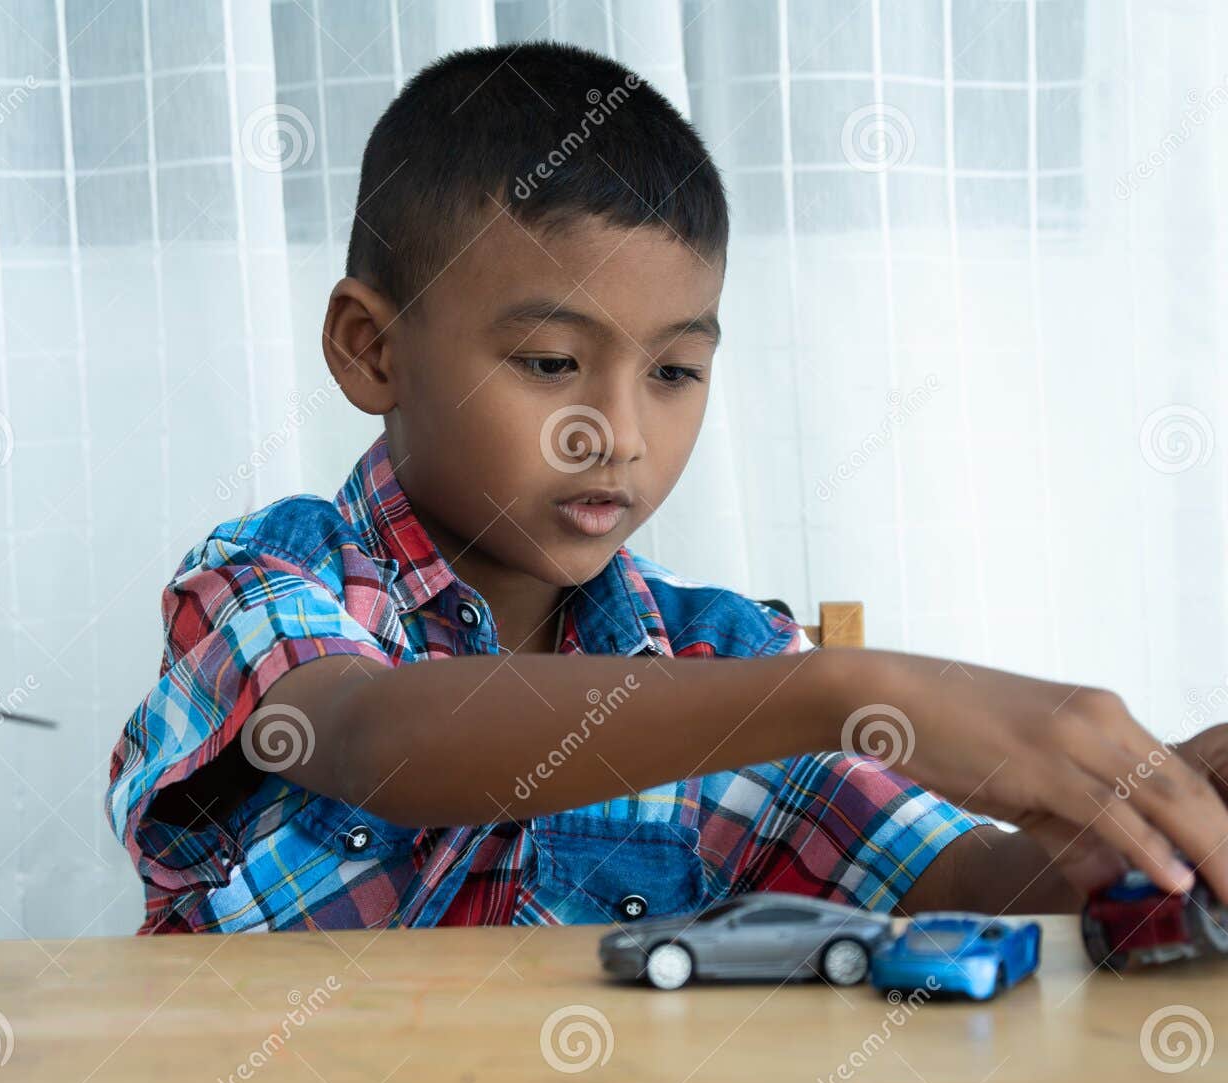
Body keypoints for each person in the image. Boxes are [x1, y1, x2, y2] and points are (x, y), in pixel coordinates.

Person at [105, 42, 1228, 936]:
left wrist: (1153, 821)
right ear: (370, 350)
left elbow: (960, 882)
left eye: (676, 372)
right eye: (550, 363)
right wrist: (846, 688)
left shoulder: (715, 656)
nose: (620, 435)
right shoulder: (264, 583)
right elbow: (366, 736)